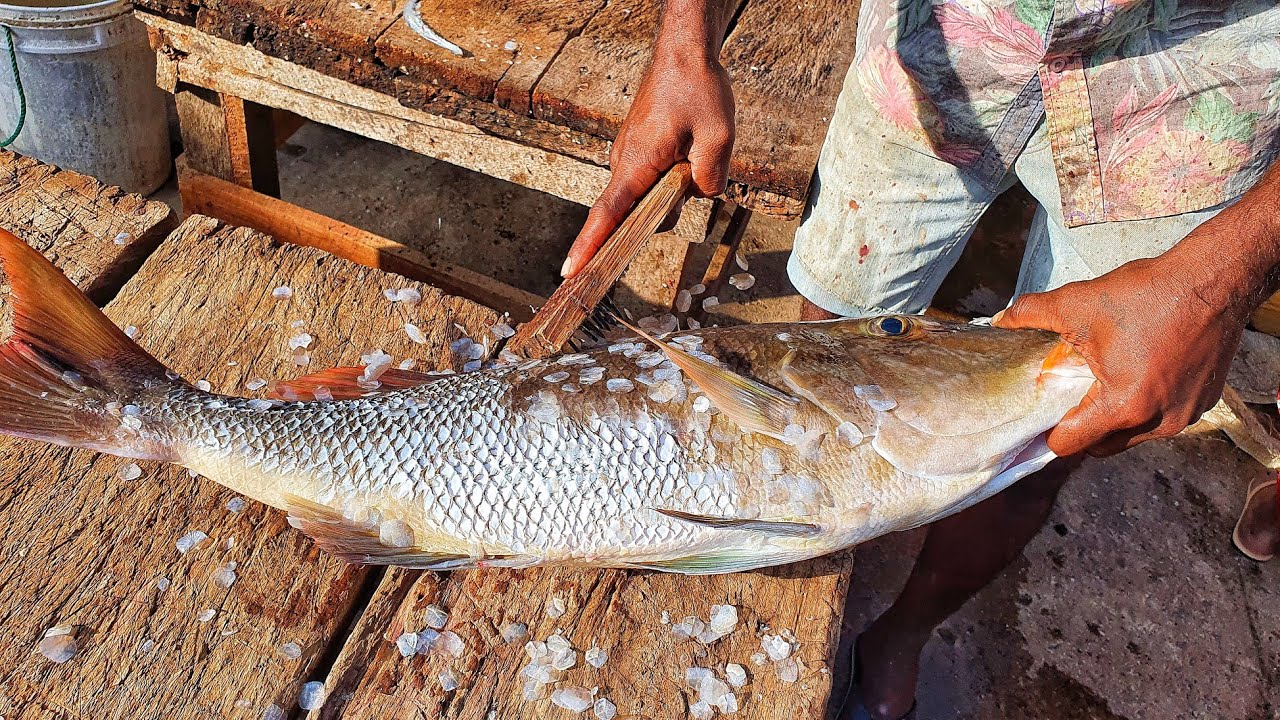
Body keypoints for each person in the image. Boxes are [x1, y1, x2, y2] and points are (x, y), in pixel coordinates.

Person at [561, 1, 1280, 717]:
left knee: (1061, 427)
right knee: (824, 337)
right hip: (940, 46)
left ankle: (901, 634)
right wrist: (687, 43)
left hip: (1201, 97)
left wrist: (1218, 283)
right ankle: (821, 526)